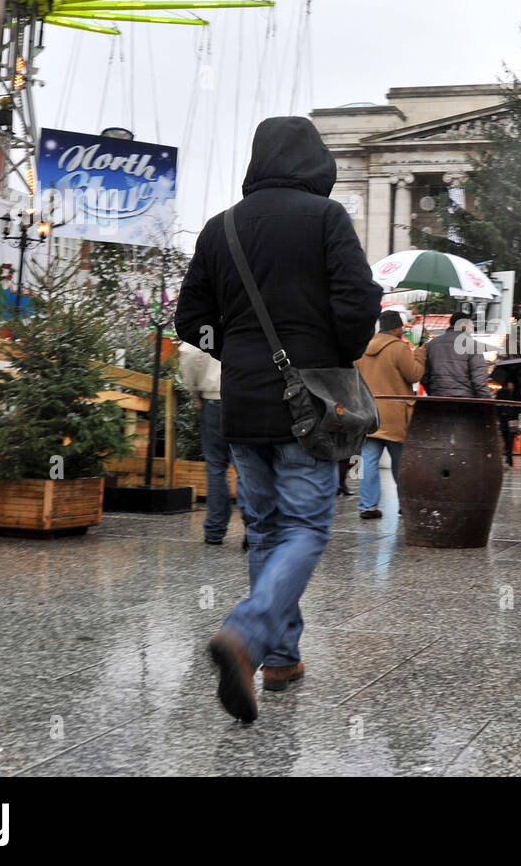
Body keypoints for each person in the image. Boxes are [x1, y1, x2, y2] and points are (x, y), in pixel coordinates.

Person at [176, 116, 381, 722]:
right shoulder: (326, 219)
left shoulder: (222, 228)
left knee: (264, 529)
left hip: (242, 403)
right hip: (310, 404)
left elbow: (191, 318)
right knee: (305, 529)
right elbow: (357, 301)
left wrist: (236, 351)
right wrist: (331, 352)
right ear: (316, 161)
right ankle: (246, 633)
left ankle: (280, 656)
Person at [354, 310, 426, 519]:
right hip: (395, 414)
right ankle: (405, 503)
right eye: (401, 327)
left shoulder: (363, 349)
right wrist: (420, 354)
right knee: (401, 462)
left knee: (367, 461)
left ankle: (367, 506)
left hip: (369, 413)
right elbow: (414, 374)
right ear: (396, 328)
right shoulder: (398, 348)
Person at [178, 341, 248, 546]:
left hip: (213, 398)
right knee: (246, 465)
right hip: (244, 399)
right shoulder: (247, 315)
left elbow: (189, 353)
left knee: (216, 466)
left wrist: (195, 388)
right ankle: (253, 528)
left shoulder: (208, 320)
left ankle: (215, 529)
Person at [422, 312, 491, 398]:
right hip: (464, 401)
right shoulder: (473, 345)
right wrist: (487, 400)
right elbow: (479, 380)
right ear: (463, 325)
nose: (472, 330)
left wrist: (432, 392)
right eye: (471, 326)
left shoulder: (432, 344)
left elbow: (424, 376)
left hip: (438, 399)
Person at [497, 378, 521, 467]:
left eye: (512, 383)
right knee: (505, 438)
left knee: (511, 439)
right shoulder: (501, 393)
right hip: (504, 419)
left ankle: (509, 458)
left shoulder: (517, 393)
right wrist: (501, 415)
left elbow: (520, 407)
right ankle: (508, 456)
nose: (511, 385)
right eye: (509, 383)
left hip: (513, 419)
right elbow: (498, 406)